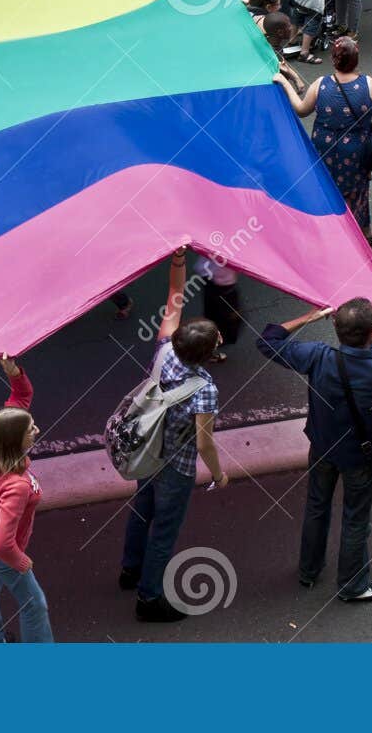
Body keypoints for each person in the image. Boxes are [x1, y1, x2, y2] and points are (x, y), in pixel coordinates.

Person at [256, 299, 372, 602]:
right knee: (356, 518)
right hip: (361, 456)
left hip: (322, 447)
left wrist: (309, 318)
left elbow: (267, 340)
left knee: (316, 506)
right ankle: (352, 585)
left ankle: (309, 571)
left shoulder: (317, 356)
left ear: (335, 328)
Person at [120, 250, 227, 623]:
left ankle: (130, 569)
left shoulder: (164, 348)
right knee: (164, 530)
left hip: (147, 450)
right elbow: (203, 442)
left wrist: (178, 261)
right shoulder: (205, 389)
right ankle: (149, 598)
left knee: (141, 511)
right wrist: (218, 473)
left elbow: (174, 295)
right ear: (209, 354)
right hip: (176, 465)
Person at [0, 354, 52, 643]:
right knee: (35, 605)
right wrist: (21, 561)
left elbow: (22, 396)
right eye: (30, 429)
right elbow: (2, 543)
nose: (37, 430)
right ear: (16, 440)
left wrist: (15, 373)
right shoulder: (16, 486)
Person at [279, 36, 372, 247]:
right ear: (356, 60)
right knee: (357, 191)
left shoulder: (321, 84)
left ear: (333, 59)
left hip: (324, 147)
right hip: (357, 149)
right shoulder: (370, 85)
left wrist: (285, 82)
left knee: (324, 188)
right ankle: (366, 232)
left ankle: (323, 232)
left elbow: (302, 110)